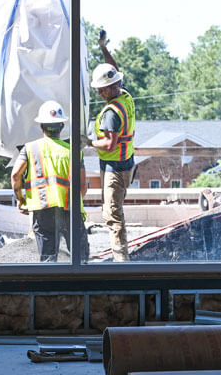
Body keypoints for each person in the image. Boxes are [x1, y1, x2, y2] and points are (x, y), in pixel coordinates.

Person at [10, 100, 89, 262]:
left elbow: (15, 176)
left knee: (48, 260)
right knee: (81, 259)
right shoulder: (74, 151)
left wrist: (21, 200)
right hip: (70, 209)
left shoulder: (30, 149)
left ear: (41, 126)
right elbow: (82, 187)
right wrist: (73, 203)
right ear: (62, 126)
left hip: (43, 209)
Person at [87, 31, 136, 261]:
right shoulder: (124, 95)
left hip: (115, 168)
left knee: (113, 215)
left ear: (112, 87)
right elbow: (113, 69)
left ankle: (121, 260)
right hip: (126, 164)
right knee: (113, 209)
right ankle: (121, 257)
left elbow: (108, 144)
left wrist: (88, 142)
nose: (99, 93)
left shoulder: (111, 113)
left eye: (102, 89)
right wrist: (103, 47)